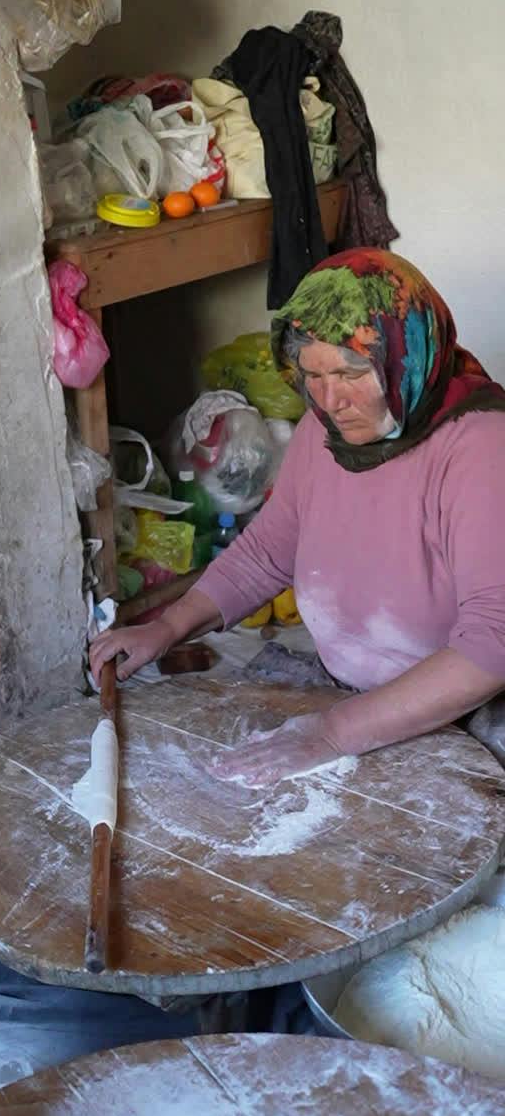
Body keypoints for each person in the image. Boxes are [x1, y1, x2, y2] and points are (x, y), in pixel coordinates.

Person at [91, 249, 505, 785]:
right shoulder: (323, 430)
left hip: (464, 718)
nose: (331, 399)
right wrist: (169, 625)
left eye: (352, 372)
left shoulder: (481, 446)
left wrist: (333, 732)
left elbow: (493, 641)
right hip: (352, 697)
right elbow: (269, 550)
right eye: (312, 374)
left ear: (410, 359)